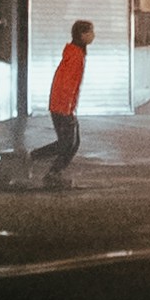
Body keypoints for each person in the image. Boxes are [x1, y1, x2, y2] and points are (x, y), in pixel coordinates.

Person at [41, 17, 93, 188]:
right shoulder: (76, 55)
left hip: (63, 105)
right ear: (82, 35)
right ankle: (46, 167)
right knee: (67, 143)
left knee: (72, 143)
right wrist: (67, 109)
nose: (93, 35)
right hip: (62, 106)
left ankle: (50, 170)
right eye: (90, 32)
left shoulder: (76, 53)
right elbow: (68, 84)